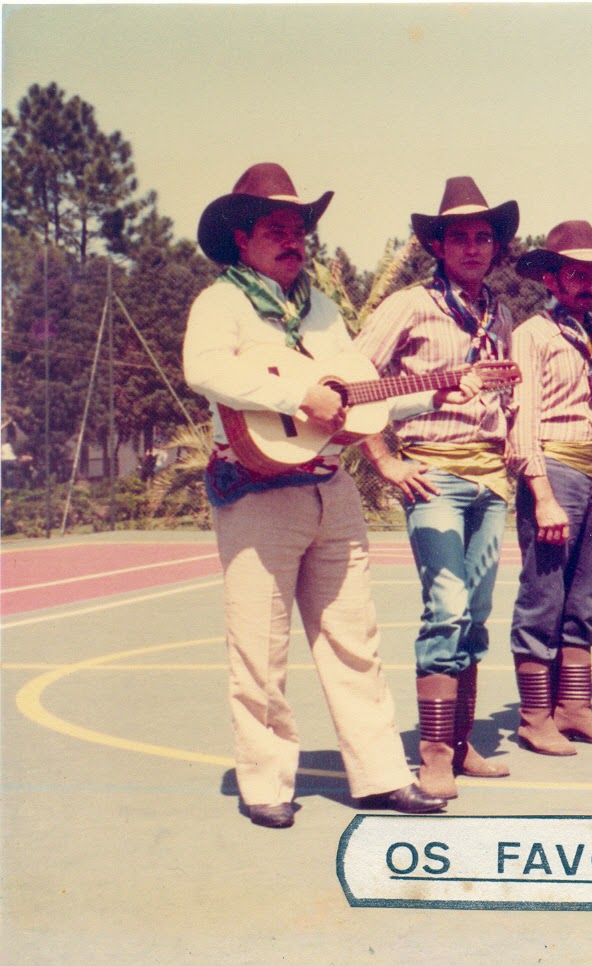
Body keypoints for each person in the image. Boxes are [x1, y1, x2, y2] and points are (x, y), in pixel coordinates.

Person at [184, 162, 447, 827]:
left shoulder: (321, 310)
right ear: (241, 239)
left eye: (299, 230)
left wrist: (438, 391)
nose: (292, 240)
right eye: (276, 228)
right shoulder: (222, 303)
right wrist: (295, 394)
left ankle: (381, 777)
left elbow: (356, 394)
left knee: (355, 640)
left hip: (330, 489)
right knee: (259, 648)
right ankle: (265, 784)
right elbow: (204, 369)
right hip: (257, 492)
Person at [353, 176, 520, 797]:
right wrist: (384, 460)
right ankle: (434, 755)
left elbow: (499, 394)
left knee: (475, 614)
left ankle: (461, 741)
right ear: (439, 245)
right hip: (433, 475)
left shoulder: (500, 313)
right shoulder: (409, 305)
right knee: (445, 608)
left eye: (484, 237)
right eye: (460, 237)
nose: (474, 247)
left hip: (490, 479)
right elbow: (351, 382)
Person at [508, 221, 592, 755]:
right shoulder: (533, 335)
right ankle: (535, 717)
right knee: (543, 597)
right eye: (577, 275)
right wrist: (542, 494)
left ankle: (574, 708)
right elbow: (522, 419)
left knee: (585, 600)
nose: (589, 285)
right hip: (554, 470)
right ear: (551, 280)